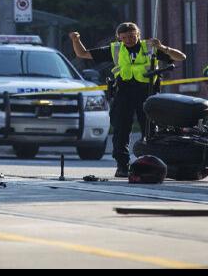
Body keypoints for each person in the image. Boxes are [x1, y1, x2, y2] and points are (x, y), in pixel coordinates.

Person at [71, 23, 186, 178]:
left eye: (132, 36)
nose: (128, 40)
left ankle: (150, 164)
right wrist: (75, 40)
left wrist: (163, 48)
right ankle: (122, 166)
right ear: (119, 37)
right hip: (123, 93)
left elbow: (181, 57)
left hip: (147, 92)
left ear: (138, 34)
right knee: (121, 130)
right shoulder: (115, 49)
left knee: (150, 130)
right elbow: (83, 54)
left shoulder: (150, 47)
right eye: (124, 37)